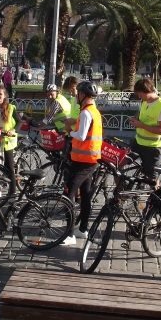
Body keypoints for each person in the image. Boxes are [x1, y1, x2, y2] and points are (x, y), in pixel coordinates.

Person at [62, 81, 103, 246]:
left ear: (83, 95)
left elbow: (81, 135)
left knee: (69, 194)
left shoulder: (86, 113)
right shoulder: (94, 111)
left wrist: (69, 131)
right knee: (85, 195)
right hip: (89, 160)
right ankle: (83, 229)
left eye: (78, 93)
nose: (76, 96)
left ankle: (70, 234)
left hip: (83, 162)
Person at [129, 78, 161, 182]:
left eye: (140, 94)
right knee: (121, 163)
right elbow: (141, 116)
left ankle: (156, 196)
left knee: (152, 180)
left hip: (153, 148)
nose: (139, 96)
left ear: (147, 91)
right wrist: (135, 119)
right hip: (138, 142)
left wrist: (141, 125)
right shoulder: (144, 101)